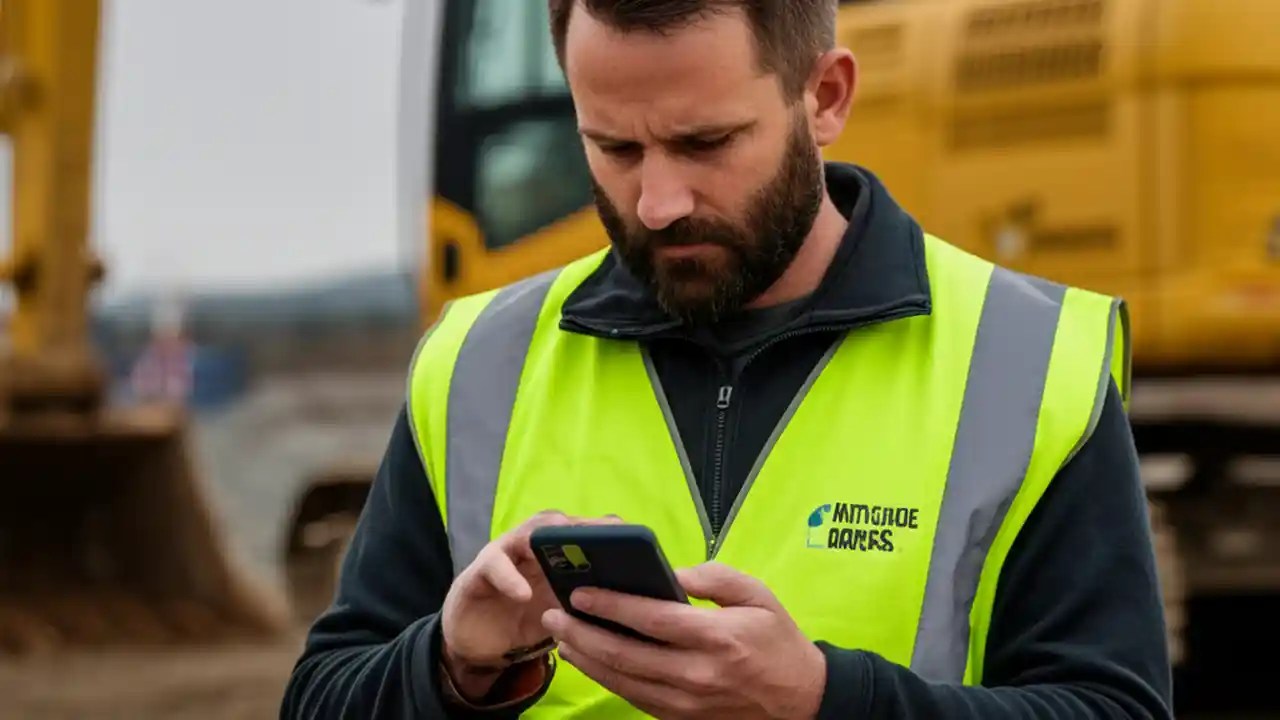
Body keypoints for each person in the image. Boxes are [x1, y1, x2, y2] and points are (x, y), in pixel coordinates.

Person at [280, 1, 1173, 717]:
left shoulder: (1027, 365)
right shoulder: (476, 364)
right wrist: (452, 666)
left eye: (705, 144)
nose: (658, 203)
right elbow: (322, 697)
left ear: (825, 97)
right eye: (614, 148)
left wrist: (821, 702)